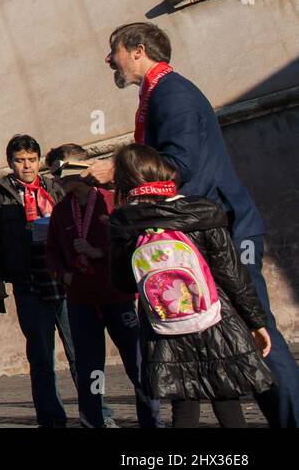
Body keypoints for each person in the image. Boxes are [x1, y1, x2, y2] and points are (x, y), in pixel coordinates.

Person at [91, 22, 297, 427]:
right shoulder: (159, 95)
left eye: (112, 50)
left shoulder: (172, 95)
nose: (108, 59)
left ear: (136, 50)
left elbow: (180, 166)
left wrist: (118, 169)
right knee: (243, 339)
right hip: (205, 229)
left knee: (258, 333)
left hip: (220, 232)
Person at [107, 144, 273, 428]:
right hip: (214, 318)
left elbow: (123, 282)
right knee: (227, 400)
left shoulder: (124, 223)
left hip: (164, 325)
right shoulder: (203, 212)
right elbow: (232, 273)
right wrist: (256, 321)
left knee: (183, 407)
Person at [44, 143, 160, 428]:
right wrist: (64, 276)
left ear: (80, 166)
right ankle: (93, 421)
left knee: (138, 365)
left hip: (117, 295)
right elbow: (52, 253)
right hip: (81, 301)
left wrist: (100, 253)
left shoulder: (112, 200)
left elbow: (133, 242)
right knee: (89, 370)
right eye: (53, 173)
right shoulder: (61, 212)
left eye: (60, 169)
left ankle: (151, 422)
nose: (57, 178)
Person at [0, 134, 78, 427]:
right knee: (42, 358)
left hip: (65, 282)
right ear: (11, 163)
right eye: (20, 161)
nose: (27, 166)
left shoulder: (54, 189)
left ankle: (97, 413)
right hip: (29, 285)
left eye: (31, 160)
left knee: (80, 352)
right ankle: (52, 419)